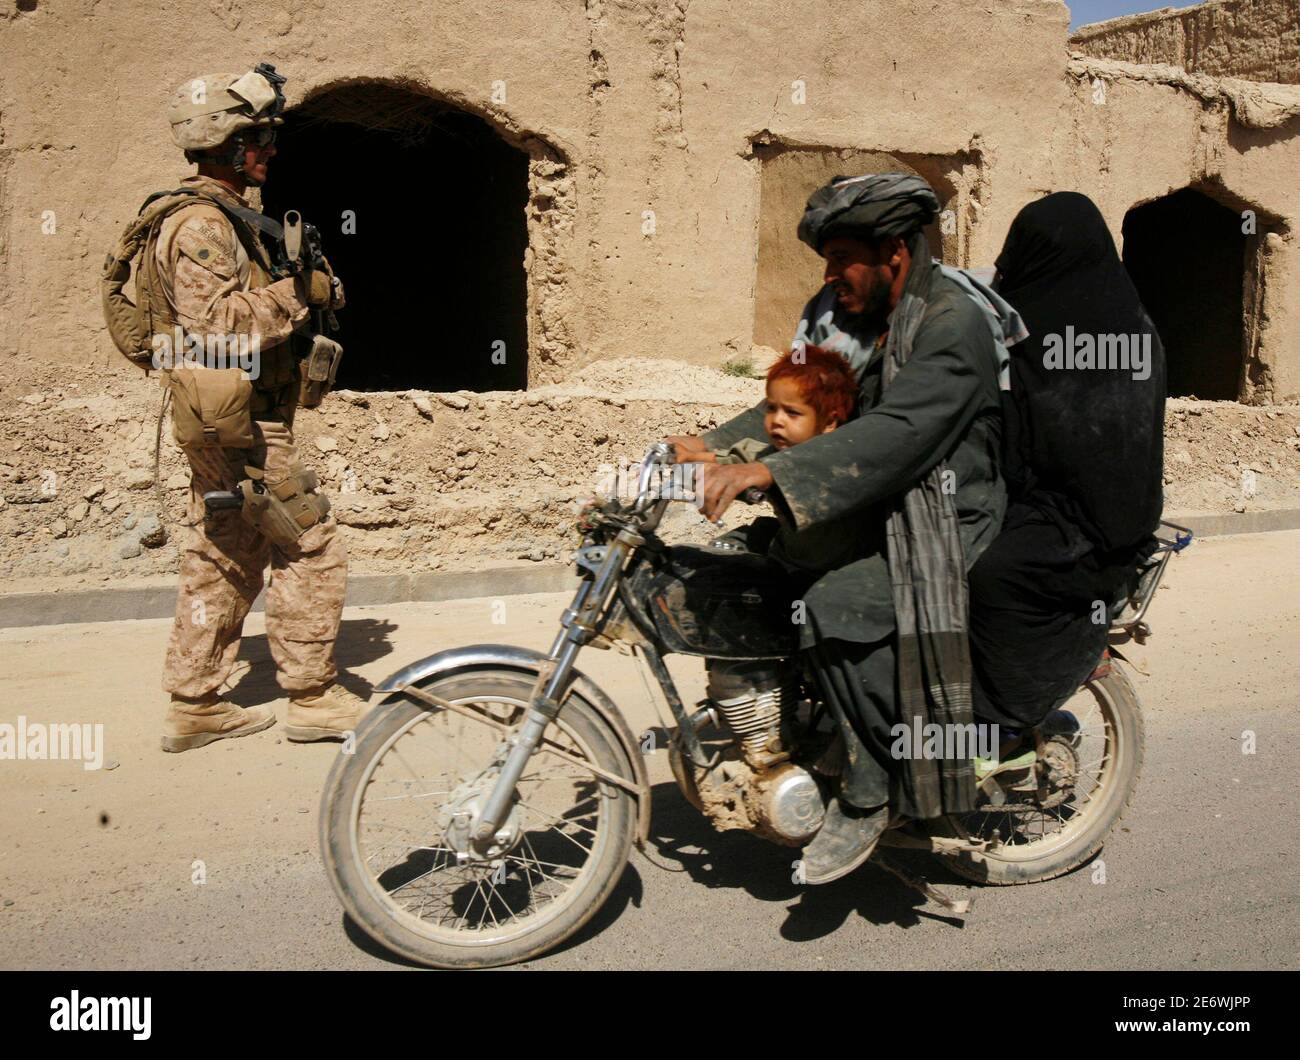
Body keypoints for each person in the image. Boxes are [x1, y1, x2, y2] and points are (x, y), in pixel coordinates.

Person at [670, 173, 1006, 884]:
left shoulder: (951, 326)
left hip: (944, 513)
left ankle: (872, 789)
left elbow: (897, 432)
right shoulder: (845, 315)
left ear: (896, 255)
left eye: (843, 257)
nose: (828, 276)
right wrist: (715, 447)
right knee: (752, 571)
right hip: (868, 500)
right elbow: (803, 395)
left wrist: (770, 475)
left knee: (835, 602)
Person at [141, 65, 366, 751]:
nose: (269, 150)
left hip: (223, 417)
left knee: (226, 554)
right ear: (227, 144)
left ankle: (196, 702)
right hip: (242, 424)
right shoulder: (203, 224)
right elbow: (216, 327)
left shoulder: (225, 218)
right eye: (258, 139)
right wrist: (300, 293)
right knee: (309, 544)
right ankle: (313, 697)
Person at [968, 192, 1166, 729]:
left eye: (1022, 253)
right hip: (1058, 503)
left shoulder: (1061, 334)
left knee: (987, 572)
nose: (1011, 267)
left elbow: (1028, 433)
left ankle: (997, 725)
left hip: (1093, 530)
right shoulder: (1116, 319)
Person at [697, 345, 862, 574]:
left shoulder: (835, 469)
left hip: (817, 575)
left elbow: (793, 477)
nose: (777, 420)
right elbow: (737, 457)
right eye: (772, 409)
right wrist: (685, 461)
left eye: (792, 413)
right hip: (783, 551)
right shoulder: (776, 453)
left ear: (828, 423)